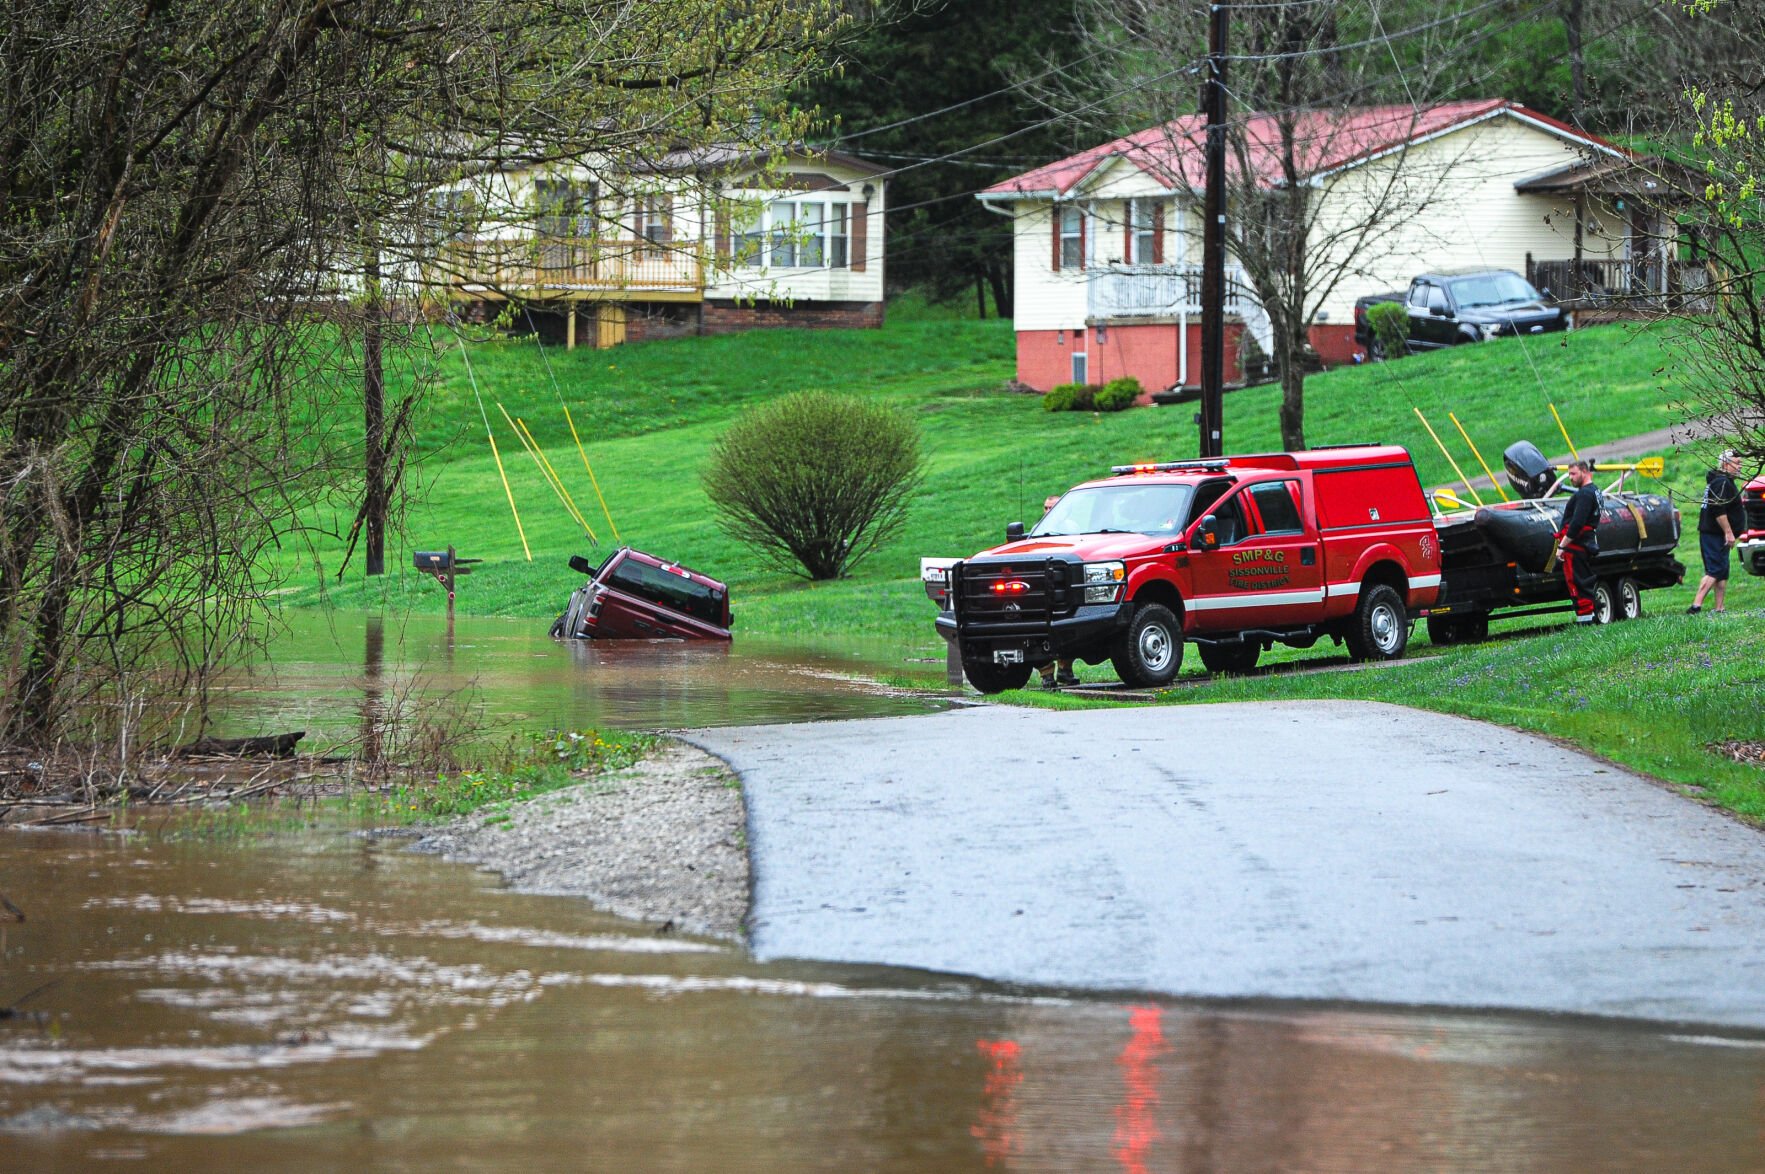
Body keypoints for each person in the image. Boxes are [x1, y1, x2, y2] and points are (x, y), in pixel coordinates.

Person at [1689, 449, 1746, 615]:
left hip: (1718, 534)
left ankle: (1719, 608)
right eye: (1737, 463)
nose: (1740, 466)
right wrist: (1728, 532)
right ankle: (1695, 606)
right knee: (1715, 569)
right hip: (1714, 534)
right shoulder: (1721, 482)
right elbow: (1718, 509)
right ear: (1726, 464)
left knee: (1722, 571)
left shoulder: (1723, 481)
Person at [1035, 493, 1080, 688]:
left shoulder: (1074, 529)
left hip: (1065, 587)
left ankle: (1065, 669)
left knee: (1069, 628)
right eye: (1045, 508)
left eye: (1052, 507)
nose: (1048, 511)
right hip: (1042, 590)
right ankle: (1046, 675)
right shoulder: (1037, 530)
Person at [1554, 459, 1601, 624]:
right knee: (1584, 581)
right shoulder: (1595, 491)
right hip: (1586, 543)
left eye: (1573, 474)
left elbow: (1577, 523)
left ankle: (1585, 621)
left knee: (1578, 583)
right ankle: (1589, 618)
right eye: (1569, 474)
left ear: (1584, 472)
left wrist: (1562, 546)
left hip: (1577, 547)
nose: (1570, 478)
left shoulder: (1585, 494)